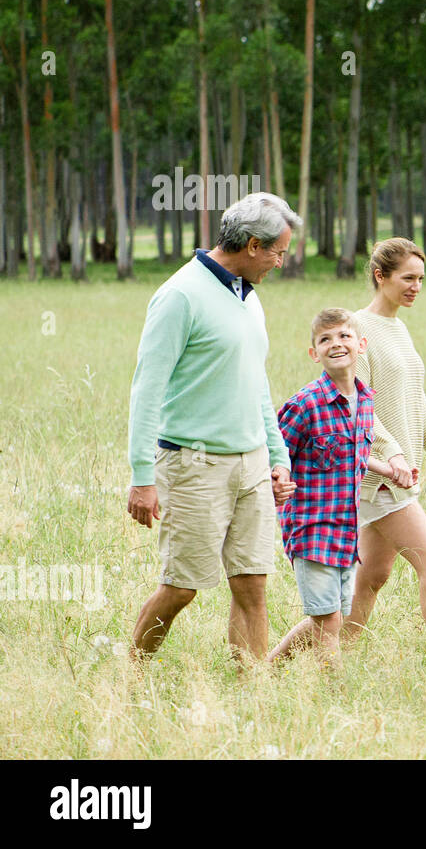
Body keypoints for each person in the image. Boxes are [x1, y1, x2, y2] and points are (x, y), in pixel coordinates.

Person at [126, 192, 302, 664]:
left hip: (251, 466)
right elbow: (146, 389)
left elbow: (257, 383)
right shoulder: (180, 295)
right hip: (193, 464)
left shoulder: (248, 297)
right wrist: (143, 476)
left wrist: (278, 456)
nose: (282, 263)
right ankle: (131, 674)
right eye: (279, 252)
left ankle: (252, 689)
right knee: (182, 587)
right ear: (250, 245)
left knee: (253, 586)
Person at [343, 238, 426, 649]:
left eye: (421, 279)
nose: (416, 286)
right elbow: (357, 404)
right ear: (381, 276)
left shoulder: (398, 328)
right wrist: (390, 451)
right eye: (408, 278)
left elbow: (418, 402)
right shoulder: (357, 330)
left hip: (399, 474)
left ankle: (298, 660)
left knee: (370, 581)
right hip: (380, 477)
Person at [270, 308, 398, 667]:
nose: (336, 344)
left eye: (344, 336)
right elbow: (275, 455)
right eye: (325, 339)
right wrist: (274, 482)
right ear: (314, 353)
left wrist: (387, 468)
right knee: (328, 623)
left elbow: (351, 451)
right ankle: (336, 695)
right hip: (312, 528)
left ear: (361, 344)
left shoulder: (364, 399)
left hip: (346, 531)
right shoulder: (305, 405)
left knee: (330, 619)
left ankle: (268, 669)